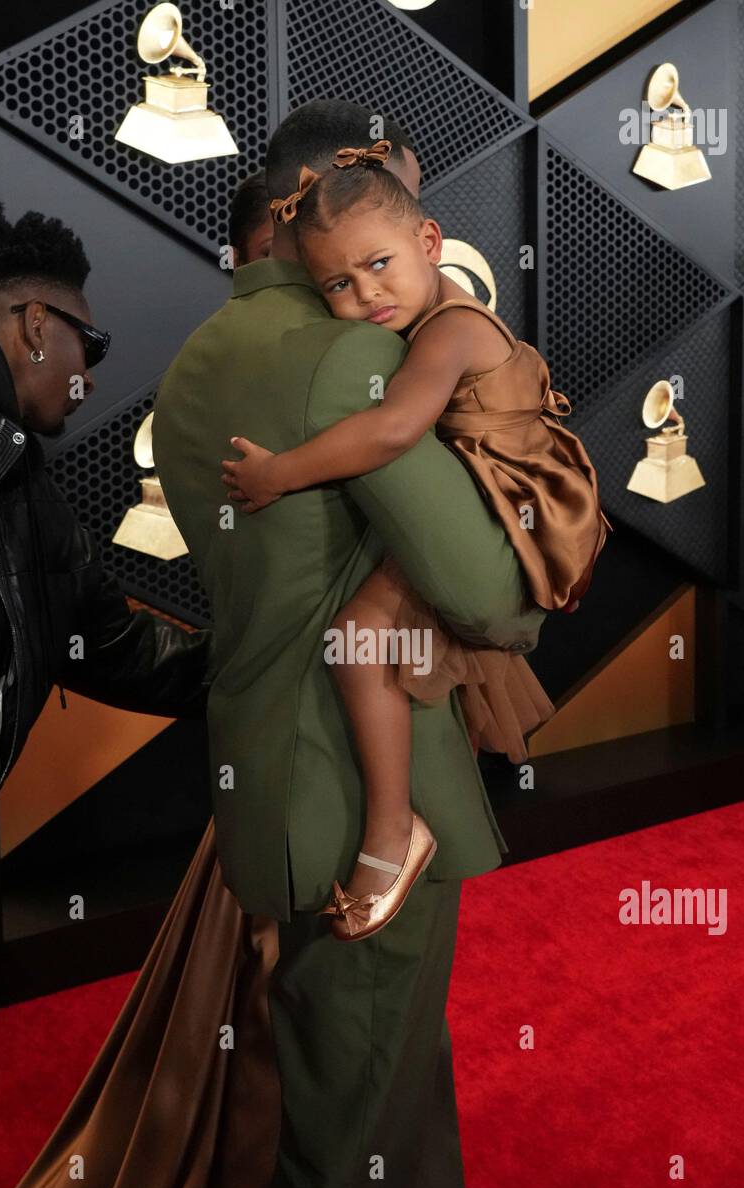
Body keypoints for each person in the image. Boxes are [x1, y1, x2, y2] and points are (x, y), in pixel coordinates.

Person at [151, 98, 554, 1188]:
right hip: (360, 808)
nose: (377, 273)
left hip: (269, 785)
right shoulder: (355, 357)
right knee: (347, 1140)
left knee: (385, 1073)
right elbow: (491, 596)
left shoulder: (190, 368)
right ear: (306, 209)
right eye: (362, 213)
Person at [222, 141, 610, 941]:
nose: (365, 294)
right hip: (474, 494)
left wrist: (280, 475)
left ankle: (393, 832)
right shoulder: (407, 318)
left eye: (379, 265)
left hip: (516, 508)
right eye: (337, 283)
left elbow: (396, 428)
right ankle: (398, 824)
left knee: (358, 635)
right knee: (364, 637)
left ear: (430, 245)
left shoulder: (454, 326)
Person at [0, 202, 212, 1188]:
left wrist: (289, 651)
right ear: (29, 323)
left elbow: (118, 646)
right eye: (87, 344)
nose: (94, 373)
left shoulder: (23, 491)